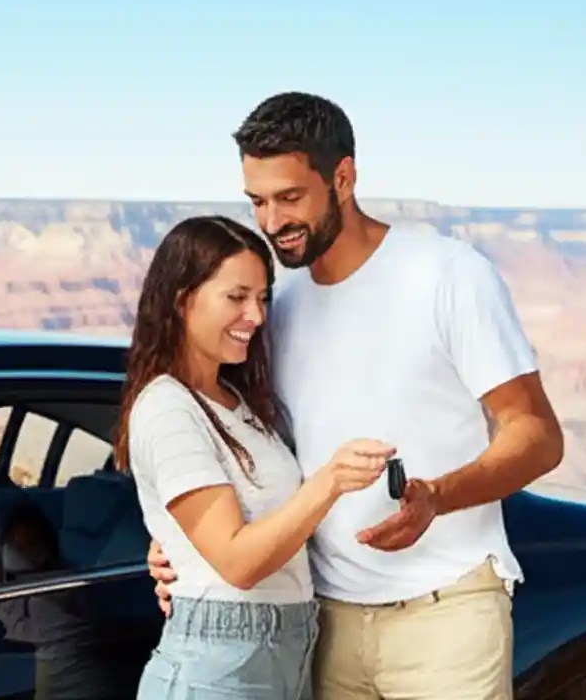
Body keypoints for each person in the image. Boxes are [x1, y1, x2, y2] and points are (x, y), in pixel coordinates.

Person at [146, 92, 566, 699]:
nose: (271, 222)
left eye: (290, 197)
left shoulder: (447, 274)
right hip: (326, 626)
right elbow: (227, 450)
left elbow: (537, 434)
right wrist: (182, 542)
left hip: (445, 612)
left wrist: (436, 498)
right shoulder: (275, 310)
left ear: (342, 177)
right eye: (257, 201)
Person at [114, 214, 398, 698]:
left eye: (263, 298)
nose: (258, 316)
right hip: (219, 670)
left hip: (284, 656)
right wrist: (328, 483)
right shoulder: (167, 408)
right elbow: (238, 564)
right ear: (183, 300)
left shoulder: (237, 401)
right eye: (237, 297)